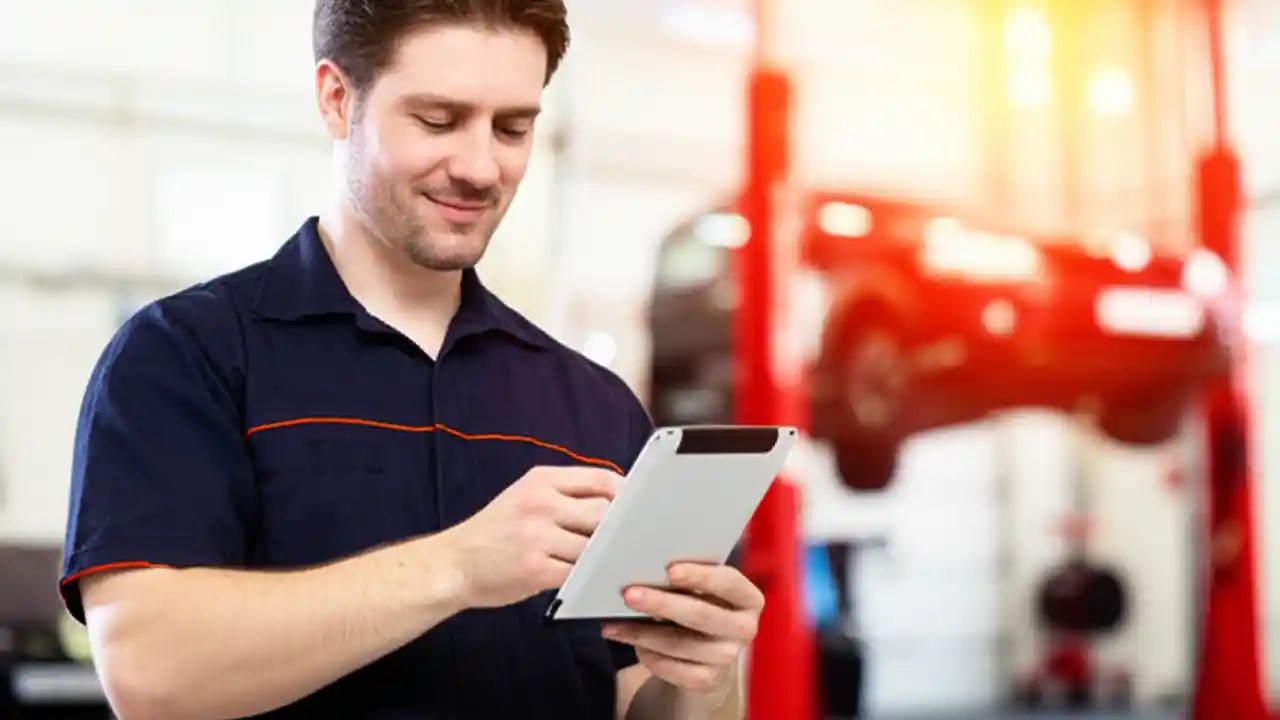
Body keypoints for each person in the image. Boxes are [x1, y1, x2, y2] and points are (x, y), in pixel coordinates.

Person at [59, 1, 764, 718]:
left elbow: (634, 700)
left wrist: (701, 674)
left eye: (512, 128)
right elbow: (149, 671)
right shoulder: (186, 358)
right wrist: (458, 566)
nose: (481, 167)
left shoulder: (594, 407)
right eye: (438, 120)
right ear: (337, 98)